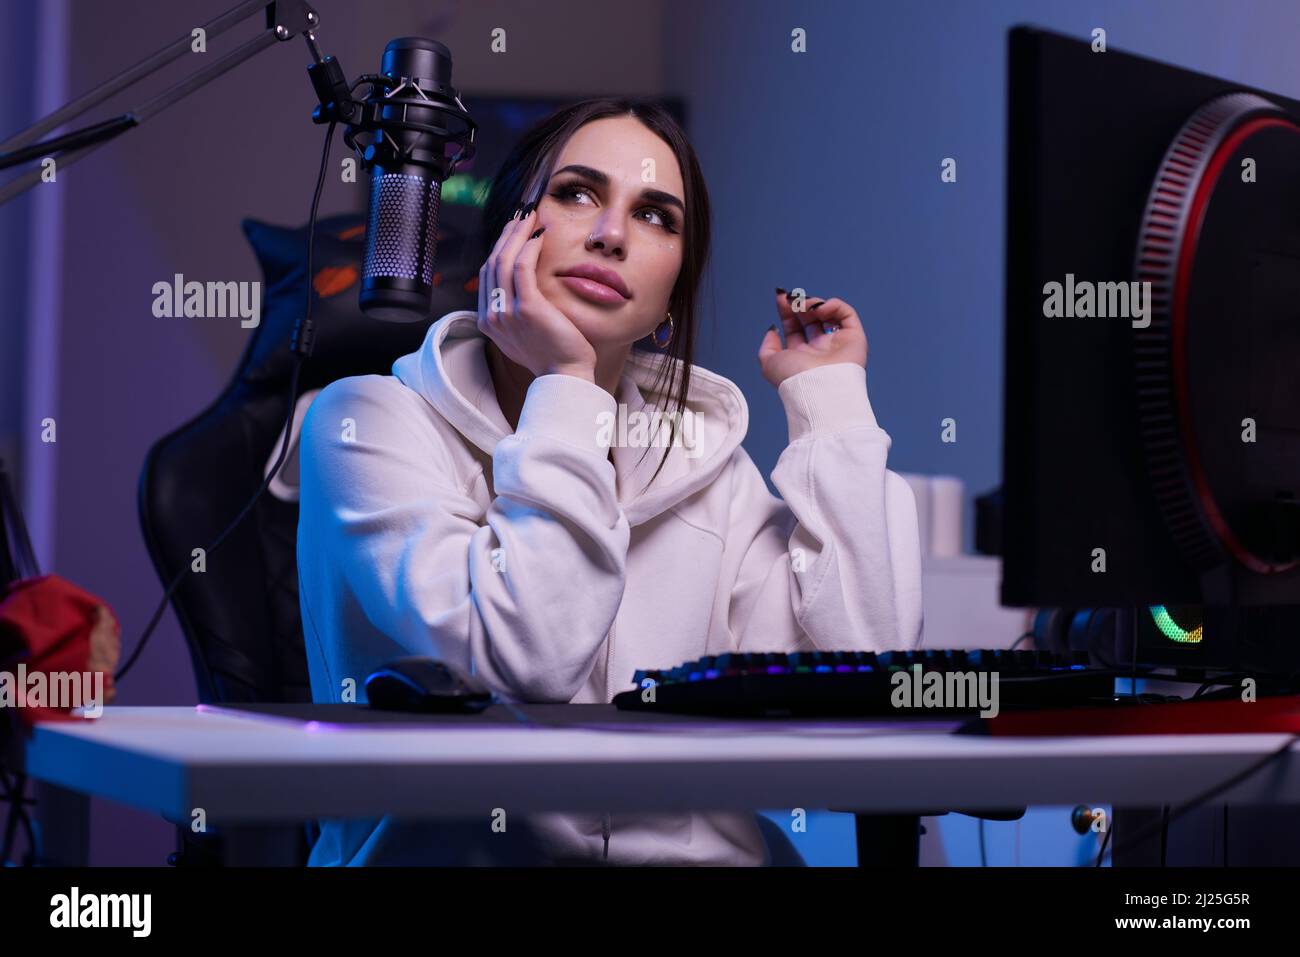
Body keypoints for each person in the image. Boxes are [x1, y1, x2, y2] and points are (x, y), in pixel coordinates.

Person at [296, 97, 923, 866]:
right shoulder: (366, 424)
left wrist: (830, 408)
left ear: (670, 300)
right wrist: (569, 381)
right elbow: (525, 659)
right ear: (508, 234)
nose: (612, 233)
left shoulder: (709, 466)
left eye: (657, 215)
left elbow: (869, 682)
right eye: (577, 192)